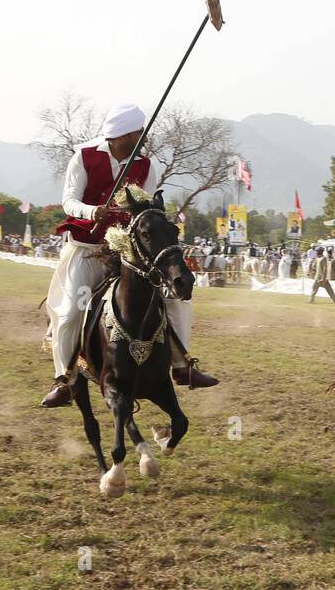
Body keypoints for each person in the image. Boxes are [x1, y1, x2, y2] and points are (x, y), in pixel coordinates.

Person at [40, 102, 218, 409]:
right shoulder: (83, 158)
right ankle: (64, 381)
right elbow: (68, 201)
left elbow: (145, 209)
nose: (145, 139)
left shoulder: (147, 166)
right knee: (69, 311)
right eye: (141, 133)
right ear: (125, 135)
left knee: (176, 298)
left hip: (125, 251)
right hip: (84, 249)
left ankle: (181, 366)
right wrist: (91, 211)